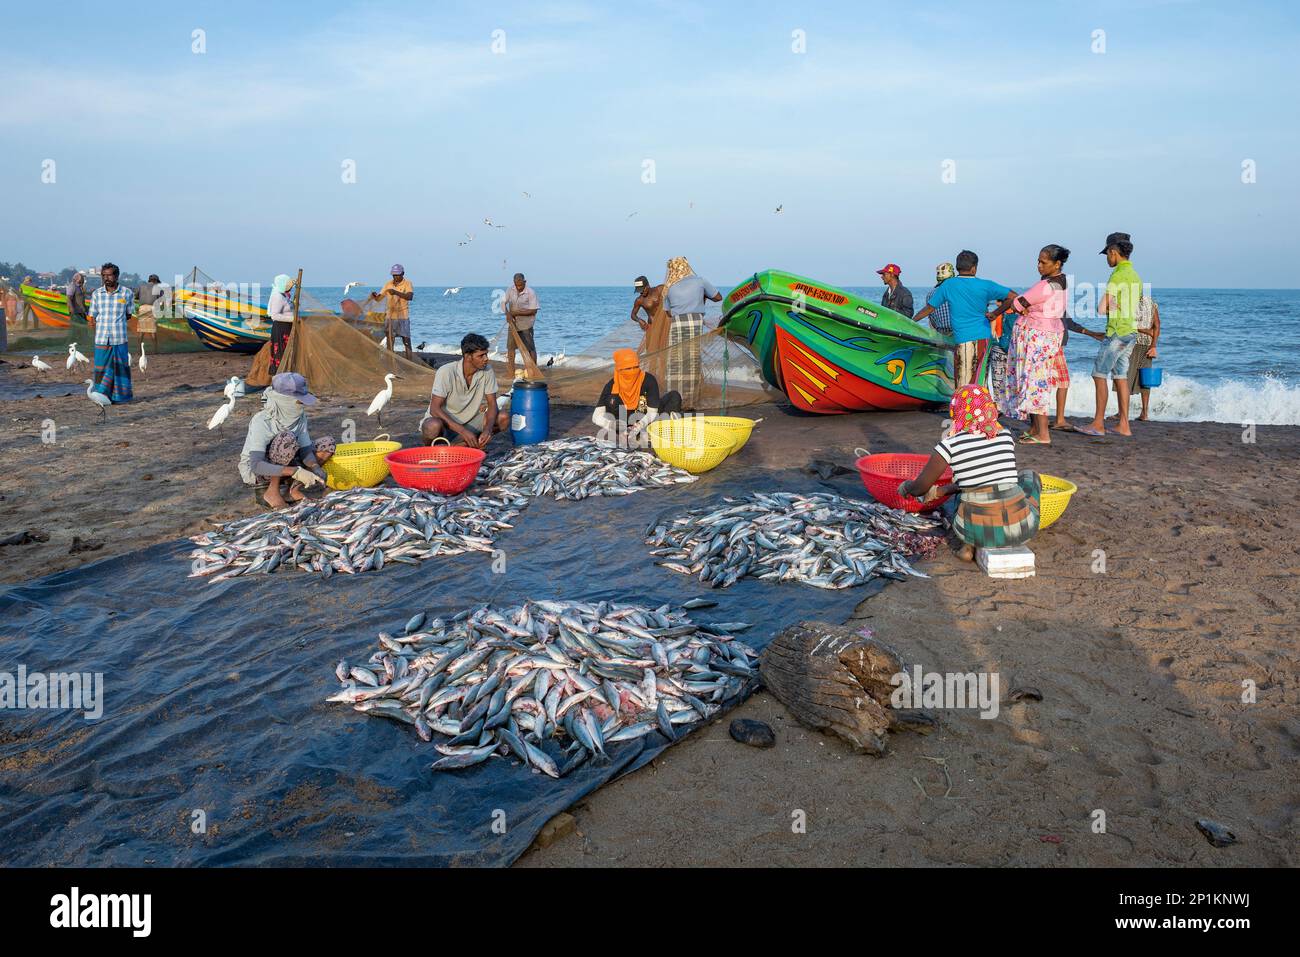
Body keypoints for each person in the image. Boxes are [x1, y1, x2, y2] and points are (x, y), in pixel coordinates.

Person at [898, 384, 1040, 562]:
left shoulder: (950, 444)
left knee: (968, 488)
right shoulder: (1005, 436)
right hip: (1022, 530)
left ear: (956, 410)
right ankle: (1023, 512)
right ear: (988, 408)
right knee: (1029, 476)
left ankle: (968, 546)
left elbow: (919, 488)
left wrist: (905, 488)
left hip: (971, 531)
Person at [912, 250, 1015, 386]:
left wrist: (911, 322)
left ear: (957, 267)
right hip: (983, 338)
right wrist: (996, 313)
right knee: (980, 379)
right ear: (974, 268)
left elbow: (929, 309)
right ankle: (978, 406)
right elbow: (1013, 296)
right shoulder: (986, 285)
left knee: (962, 381)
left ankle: (963, 406)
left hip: (963, 339)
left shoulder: (949, 285)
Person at [1002, 245, 1071, 444]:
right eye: (1038, 261)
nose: (1039, 266)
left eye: (1044, 262)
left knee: (1035, 382)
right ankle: (1034, 428)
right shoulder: (1061, 282)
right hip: (1050, 334)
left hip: (1037, 336)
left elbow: (1017, 303)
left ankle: (1042, 434)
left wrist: (1023, 307)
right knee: (1036, 380)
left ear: (1057, 264)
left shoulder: (1045, 286)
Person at [1076, 232, 1142, 437]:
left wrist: (1111, 304)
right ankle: (1124, 425)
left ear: (1113, 252)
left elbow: (1101, 308)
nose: (1107, 258)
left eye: (1107, 254)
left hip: (1116, 332)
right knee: (1120, 376)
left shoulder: (1117, 275)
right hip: (1131, 331)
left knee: (1099, 374)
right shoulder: (1135, 276)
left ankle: (1097, 423)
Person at [238, 373, 333, 510]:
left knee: (328, 444)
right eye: (299, 402)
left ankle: (293, 490)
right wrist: (296, 472)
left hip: (287, 461)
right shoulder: (263, 421)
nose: (302, 406)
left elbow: (305, 449)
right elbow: (256, 465)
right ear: (284, 400)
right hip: (259, 471)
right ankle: (272, 492)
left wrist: (314, 467)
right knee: (287, 439)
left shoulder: (299, 416)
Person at [420, 333, 509, 448]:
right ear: (467, 356)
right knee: (432, 426)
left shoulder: (487, 371)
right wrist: (462, 431)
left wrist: (487, 430)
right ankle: (436, 449)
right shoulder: (446, 372)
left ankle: (463, 444)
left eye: (486, 354)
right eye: (481, 355)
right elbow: (434, 409)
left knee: (503, 418)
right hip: (446, 425)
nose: (486, 359)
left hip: (471, 422)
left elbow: (492, 404)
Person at [592, 348, 682, 446]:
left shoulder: (648, 380)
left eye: (635, 367)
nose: (632, 371)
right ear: (619, 369)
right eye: (627, 368)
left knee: (674, 396)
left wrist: (639, 425)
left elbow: (652, 412)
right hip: (623, 423)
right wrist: (610, 424)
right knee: (611, 400)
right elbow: (596, 416)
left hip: (644, 417)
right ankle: (630, 435)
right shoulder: (611, 386)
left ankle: (656, 431)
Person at [664, 256, 720, 410]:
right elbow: (718, 297)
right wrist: (702, 298)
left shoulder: (669, 287)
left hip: (676, 325)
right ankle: (690, 401)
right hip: (694, 323)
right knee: (692, 361)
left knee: (675, 362)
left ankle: (673, 398)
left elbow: (668, 313)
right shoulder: (700, 281)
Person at [86, 263, 134, 403]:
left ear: (117, 276)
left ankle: (121, 398)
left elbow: (128, 314)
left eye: (109, 275)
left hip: (119, 338)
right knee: (101, 368)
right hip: (101, 338)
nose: (106, 278)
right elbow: (92, 316)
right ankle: (102, 396)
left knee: (121, 370)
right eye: (104, 275)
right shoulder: (96, 294)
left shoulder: (127, 293)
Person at [1121, 294, 1160, 421]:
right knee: (1145, 379)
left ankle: (1123, 413)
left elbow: (1124, 325)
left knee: (1124, 377)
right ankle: (1144, 413)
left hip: (1131, 343)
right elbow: (1157, 326)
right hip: (1147, 344)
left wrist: (1153, 344)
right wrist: (1153, 344)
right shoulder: (1149, 301)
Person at [631, 274, 671, 384]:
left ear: (647, 286)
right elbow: (633, 315)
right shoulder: (639, 300)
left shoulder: (660, 289)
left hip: (666, 326)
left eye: (642, 289)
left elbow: (673, 289)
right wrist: (640, 320)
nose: (641, 292)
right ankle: (653, 378)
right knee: (652, 353)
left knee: (664, 352)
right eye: (638, 290)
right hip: (652, 328)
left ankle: (664, 377)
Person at [369, 264, 414, 360]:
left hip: (403, 317)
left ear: (403, 273)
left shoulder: (407, 283)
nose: (396, 277)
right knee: (390, 342)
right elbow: (379, 299)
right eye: (394, 275)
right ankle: (391, 364)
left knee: (406, 341)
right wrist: (375, 296)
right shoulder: (388, 284)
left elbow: (410, 297)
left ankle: (410, 365)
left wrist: (395, 292)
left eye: (398, 275)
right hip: (390, 317)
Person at [503, 272, 539, 379]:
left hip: (526, 325)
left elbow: (534, 311)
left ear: (525, 282)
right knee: (510, 348)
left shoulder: (531, 292)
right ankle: (510, 373)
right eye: (516, 285)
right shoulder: (510, 290)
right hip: (513, 325)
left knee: (530, 348)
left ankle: (533, 372)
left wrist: (516, 313)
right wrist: (507, 313)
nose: (518, 287)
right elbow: (503, 303)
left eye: (520, 285)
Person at [267, 273, 296, 375]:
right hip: (280, 329)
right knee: (281, 353)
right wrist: (293, 319)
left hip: (286, 329)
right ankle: (279, 377)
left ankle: (286, 376)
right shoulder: (278, 296)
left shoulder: (283, 295)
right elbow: (274, 316)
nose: (290, 288)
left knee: (287, 353)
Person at [134, 274, 163, 352]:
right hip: (152, 308)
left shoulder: (141, 287)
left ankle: (139, 350)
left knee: (141, 330)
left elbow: (136, 296)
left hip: (142, 308)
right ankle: (155, 350)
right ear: (156, 281)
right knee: (153, 330)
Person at [926, 262, 956, 334]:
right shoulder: (957, 291)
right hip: (958, 333)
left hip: (941, 335)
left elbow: (932, 321)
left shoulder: (930, 294)